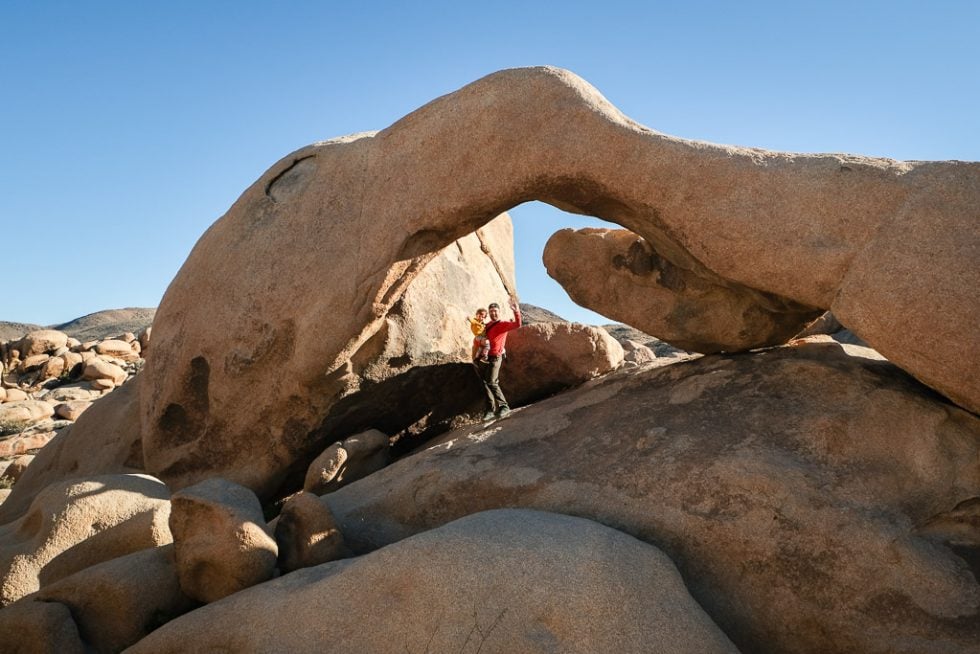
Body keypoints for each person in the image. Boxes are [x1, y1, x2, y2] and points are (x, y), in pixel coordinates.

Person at [474, 296, 522, 420]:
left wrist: (516, 310)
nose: (493, 313)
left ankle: (504, 406)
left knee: (492, 382)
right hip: (486, 357)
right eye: (491, 312)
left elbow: (518, 324)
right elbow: (480, 337)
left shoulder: (503, 324)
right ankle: (491, 409)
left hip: (496, 357)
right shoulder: (488, 325)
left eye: (495, 311)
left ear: (499, 312)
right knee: (485, 382)